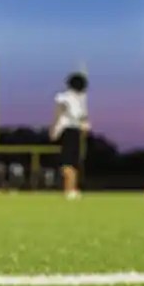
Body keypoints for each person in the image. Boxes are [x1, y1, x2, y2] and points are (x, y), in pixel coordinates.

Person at [50, 72, 89, 200]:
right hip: (77, 131)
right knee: (73, 162)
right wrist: (85, 128)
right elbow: (84, 117)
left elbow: (59, 113)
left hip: (66, 130)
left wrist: (53, 129)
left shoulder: (63, 97)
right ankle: (73, 189)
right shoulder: (82, 98)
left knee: (66, 163)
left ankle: (69, 190)